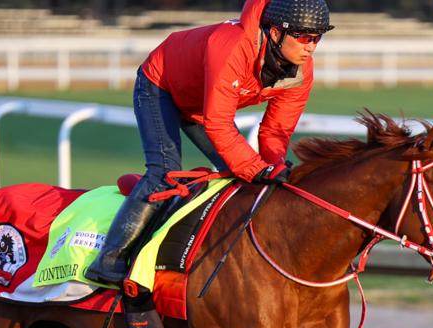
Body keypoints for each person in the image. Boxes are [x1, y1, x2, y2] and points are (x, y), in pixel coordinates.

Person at [83, 0, 332, 292]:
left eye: (317, 38)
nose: (311, 47)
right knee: (164, 173)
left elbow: (276, 130)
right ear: (276, 32)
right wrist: (257, 168)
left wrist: (273, 168)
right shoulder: (233, 46)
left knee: (244, 181)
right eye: (304, 37)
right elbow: (218, 125)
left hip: (203, 104)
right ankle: (108, 261)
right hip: (160, 86)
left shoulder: (301, 71)